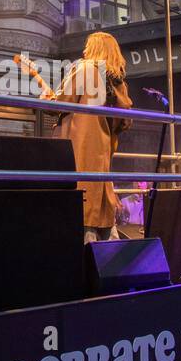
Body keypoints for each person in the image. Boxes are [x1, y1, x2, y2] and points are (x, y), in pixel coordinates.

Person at [44, 31, 133, 243]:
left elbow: (59, 103)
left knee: (79, 205)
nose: (84, 50)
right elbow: (125, 120)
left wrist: (47, 99)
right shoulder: (117, 82)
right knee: (99, 202)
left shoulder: (85, 69)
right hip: (102, 149)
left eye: (88, 45)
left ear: (94, 48)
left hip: (78, 146)